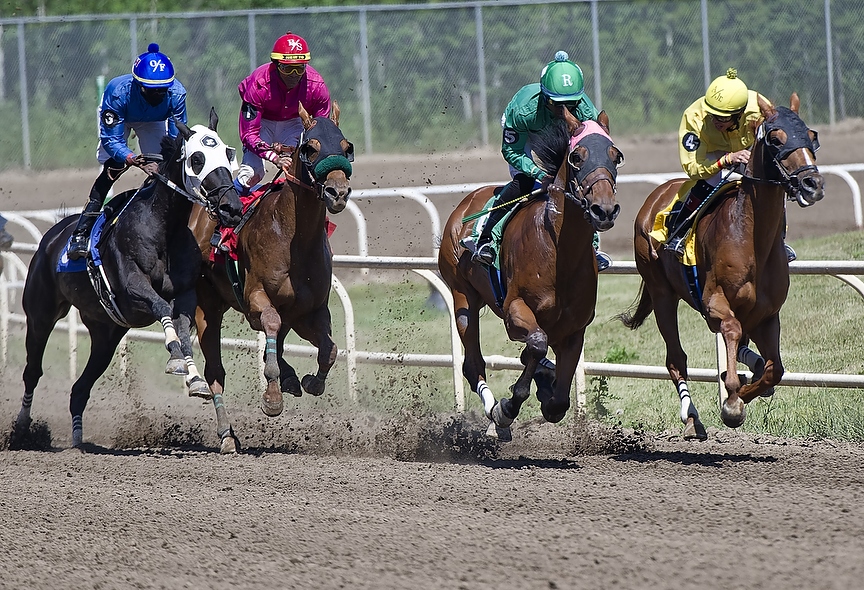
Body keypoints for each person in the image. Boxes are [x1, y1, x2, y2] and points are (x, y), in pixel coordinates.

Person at [473, 50, 612, 271]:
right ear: (545, 97)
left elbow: (593, 148)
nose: (565, 110)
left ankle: (591, 247)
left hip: (563, 135)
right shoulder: (523, 112)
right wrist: (539, 174)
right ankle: (486, 238)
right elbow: (511, 151)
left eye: (572, 104)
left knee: (577, 187)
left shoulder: (585, 110)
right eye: (558, 104)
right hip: (529, 136)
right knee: (525, 183)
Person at [68, 43, 187, 260]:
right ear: (137, 84)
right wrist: (132, 158)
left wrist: (164, 162)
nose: (159, 94)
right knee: (112, 166)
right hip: (121, 118)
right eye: (151, 90)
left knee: (167, 168)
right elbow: (111, 140)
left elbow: (176, 139)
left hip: (153, 122)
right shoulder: (117, 93)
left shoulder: (177, 94)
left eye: (163, 89)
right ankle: (81, 232)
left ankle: (174, 225)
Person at [669, 68, 796, 262]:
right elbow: (693, 168)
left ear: (739, 114)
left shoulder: (758, 110)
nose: (715, 121)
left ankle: (779, 239)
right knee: (711, 180)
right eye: (712, 114)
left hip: (747, 149)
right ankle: (679, 231)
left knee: (773, 180)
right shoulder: (694, 117)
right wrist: (726, 160)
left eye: (722, 117)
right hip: (713, 152)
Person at [236, 31, 331, 191]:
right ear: (276, 65)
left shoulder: (317, 86)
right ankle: (230, 205)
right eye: (287, 69)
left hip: (294, 124)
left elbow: (322, 130)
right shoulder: (258, 84)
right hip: (262, 124)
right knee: (251, 174)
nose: (294, 75)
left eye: (299, 68)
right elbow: (249, 134)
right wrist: (274, 157)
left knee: (305, 172)